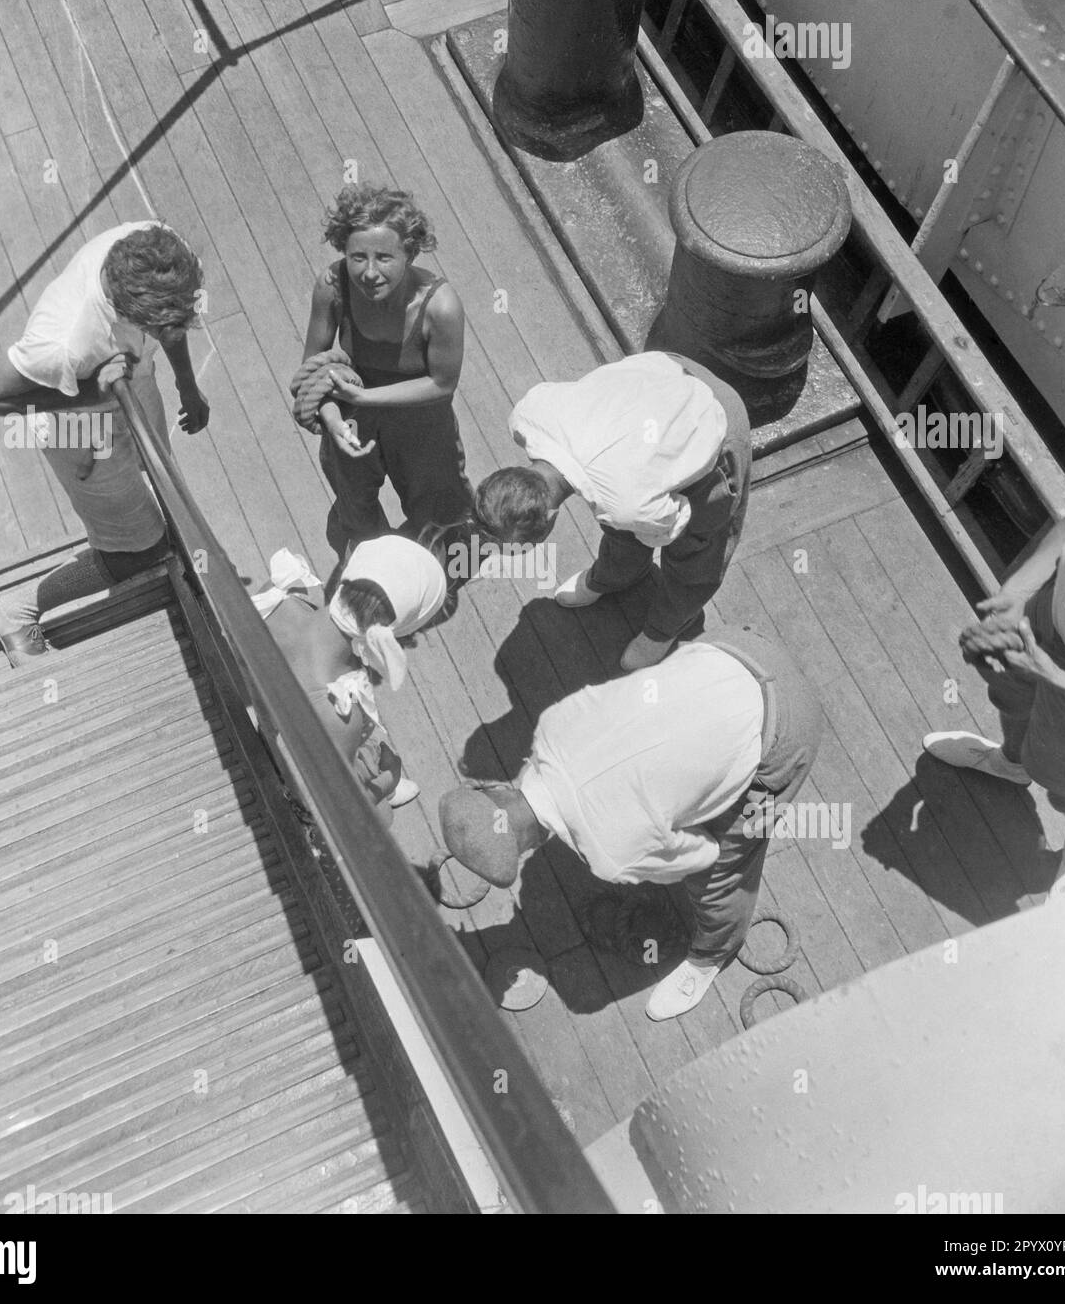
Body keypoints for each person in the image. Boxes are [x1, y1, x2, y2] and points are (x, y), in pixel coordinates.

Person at [437, 625, 822, 1020]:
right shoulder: (553, 725)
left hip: (786, 730)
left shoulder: (609, 856)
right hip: (734, 647)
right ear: (497, 789)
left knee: (724, 868)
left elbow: (702, 854)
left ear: (527, 850)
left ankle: (712, 954)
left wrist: (670, 824)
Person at [0, 221, 210, 666]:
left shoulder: (155, 244)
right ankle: (15, 609)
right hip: (76, 428)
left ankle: (187, 569)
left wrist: (187, 386)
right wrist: (88, 393)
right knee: (140, 551)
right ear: (127, 310)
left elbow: (171, 328)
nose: (171, 330)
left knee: (165, 488)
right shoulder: (62, 345)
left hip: (130, 385)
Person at [472, 350, 751, 672]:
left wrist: (638, 510)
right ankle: (612, 577)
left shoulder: (625, 502)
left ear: (550, 519)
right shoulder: (524, 416)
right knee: (623, 519)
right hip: (662, 368)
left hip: (715, 416)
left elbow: (676, 521)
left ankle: (660, 632)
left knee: (696, 552)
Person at [924, 452, 1065, 899]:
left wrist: (1054, 675)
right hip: (1042, 619)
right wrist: (1018, 593)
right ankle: (1010, 764)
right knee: (1010, 698)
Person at [296, 184, 473, 564]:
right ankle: (369, 559)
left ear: (410, 252)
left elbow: (442, 384)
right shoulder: (333, 287)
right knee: (354, 503)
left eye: (385, 257)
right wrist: (332, 421)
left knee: (438, 508)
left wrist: (361, 398)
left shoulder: (440, 306)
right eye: (358, 257)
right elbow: (311, 367)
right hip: (353, 420)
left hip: (421, 424)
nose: (370, 273)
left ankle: (429, 559)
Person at [251, 535, 447, 811]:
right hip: (302, 756)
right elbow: (334, 802)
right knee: (381, 815)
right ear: (401, 630)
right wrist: (386, 781)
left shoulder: (283, 596)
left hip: (272, 714)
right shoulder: (341, 712)